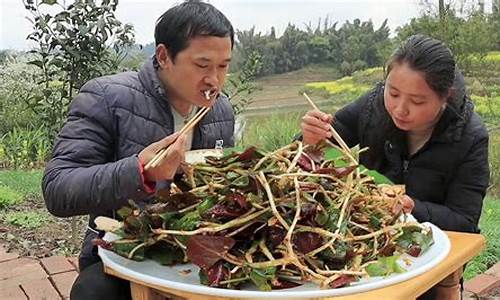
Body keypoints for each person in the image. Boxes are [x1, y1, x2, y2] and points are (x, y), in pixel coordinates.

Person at [42, 1, 235, 299]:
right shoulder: (106, 97)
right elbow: (58, 189)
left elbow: (221, 191)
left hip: (193, 252)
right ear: (163, 56)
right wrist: (140, 171)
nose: (214, 80)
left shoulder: (220, 110)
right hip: (124, 251)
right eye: (202, 65)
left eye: (223, 66)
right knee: (92, 291)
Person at [301, 34, 489, 300]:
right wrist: (311, 138)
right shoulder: (373, 105)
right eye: (393, 92)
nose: (400, 109)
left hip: (430, 257)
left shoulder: (470, 137)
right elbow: (325, 142)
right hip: (369, 249)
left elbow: (464, 223)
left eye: (417, 101)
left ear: (445, 98)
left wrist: (413, 207)